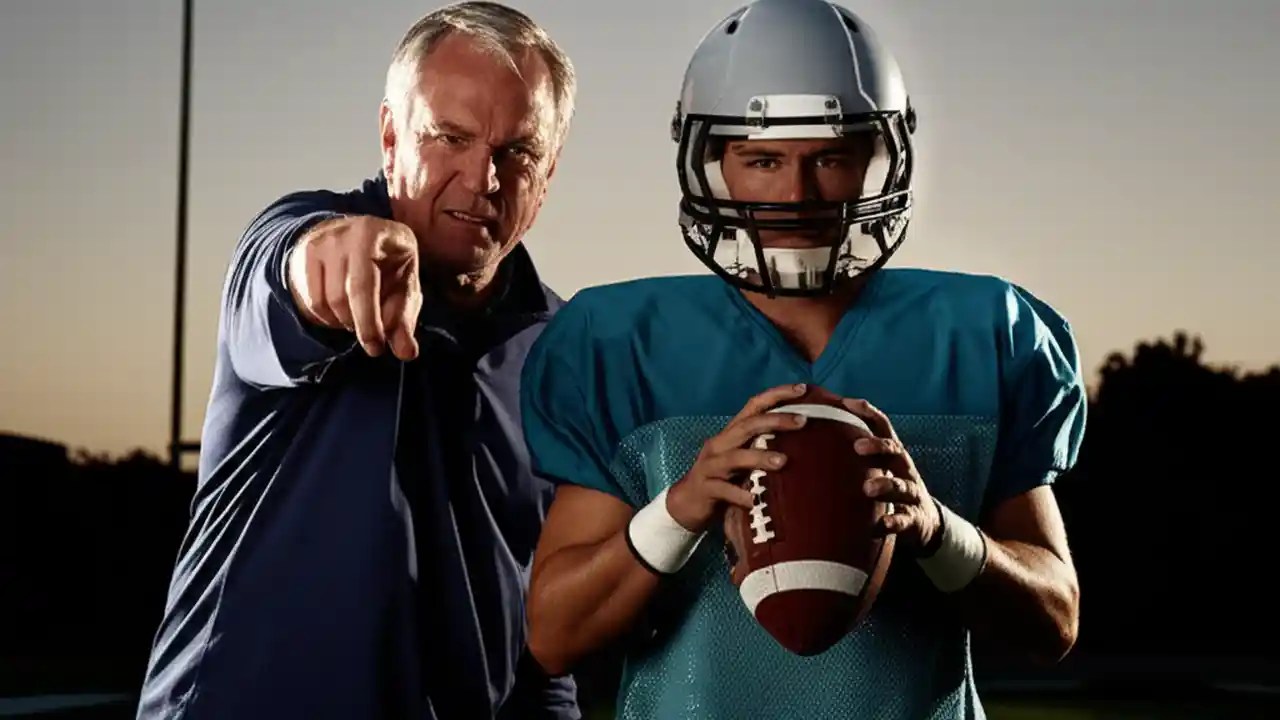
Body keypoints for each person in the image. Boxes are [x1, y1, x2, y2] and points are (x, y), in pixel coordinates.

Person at [518, 0, 1085, 718]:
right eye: (762, 160)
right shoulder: (618, 341)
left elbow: (1053, 621)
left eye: (831, 158)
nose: (796, 193)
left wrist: (939, 531)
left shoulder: (985, 331)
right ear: (713, 165)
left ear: (879, 160)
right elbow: (554, 636)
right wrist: (680, 509)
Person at [137, 3, 581, 718]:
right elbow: (285, 269)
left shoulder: (564, 353)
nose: (482, 179)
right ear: (390, 136)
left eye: (515, 152)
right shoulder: (298, 238)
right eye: (450, 138)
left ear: (549, 170)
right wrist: (332, 259)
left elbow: (533, 642)